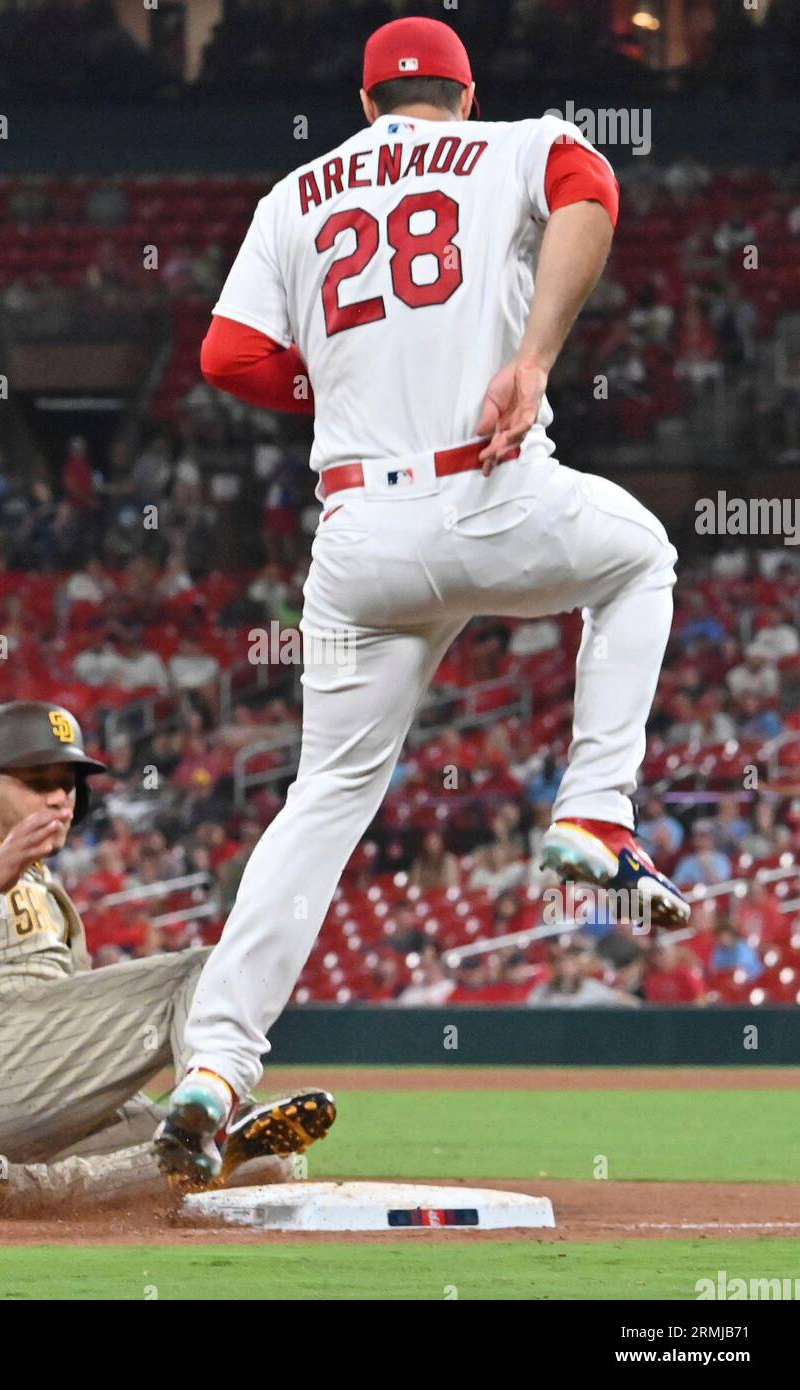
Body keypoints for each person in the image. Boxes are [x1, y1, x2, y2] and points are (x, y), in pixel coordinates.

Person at [154, 16, 687, 1180]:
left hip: (357, 537)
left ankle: (212, 1064)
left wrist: (341, 384)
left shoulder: (294, 193)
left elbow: (226, 356)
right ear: (463, 91)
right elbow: (589, 189)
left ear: (363, 103)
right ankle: (594, 811)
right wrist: (534, 356)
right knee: (637, 560)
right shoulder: (514, 143)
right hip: (491, 494)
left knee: (320, 800)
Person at [0, 701, 335, 1213]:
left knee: (263, 1165)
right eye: (37, 781)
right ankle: (218, 1108)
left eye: (67, 784)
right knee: (207, 968)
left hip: (28, 1097)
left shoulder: (46, 891)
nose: (58, 798)